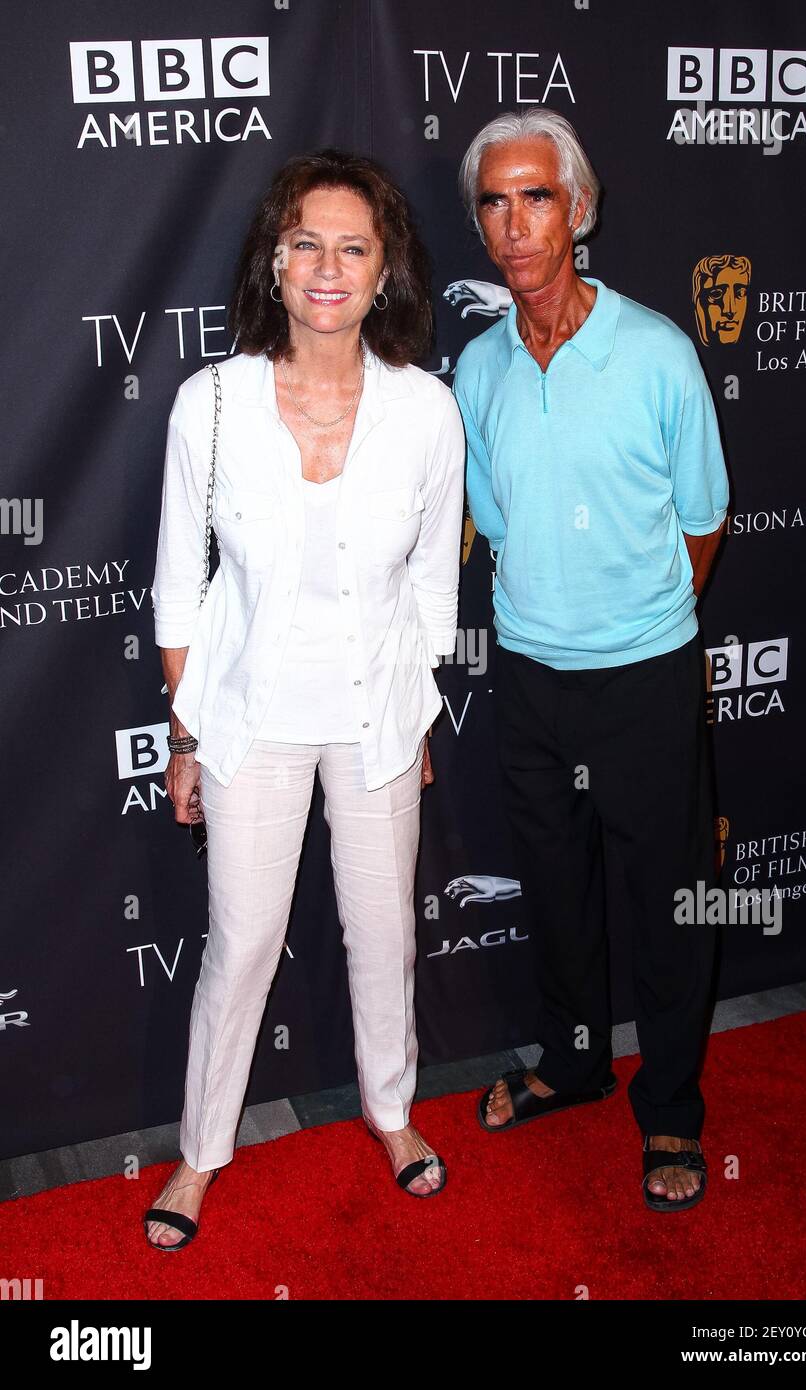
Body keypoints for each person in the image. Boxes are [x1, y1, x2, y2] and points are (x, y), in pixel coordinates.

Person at [145, 149, 466, 1249]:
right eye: (305, 245)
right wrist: (187, 735)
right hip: (249, 719)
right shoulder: (213, 403)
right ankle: (197, 1155)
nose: (327, 268)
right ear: (274, 264)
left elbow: (434, 580)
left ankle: (392, 1115)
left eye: (352, 248)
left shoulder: (424, 411)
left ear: (384, 273)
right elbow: (177, 586)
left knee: (383, 934)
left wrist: (414, 709)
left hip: (378, 717)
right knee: (240, 943)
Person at [452, 109, 729, 1212]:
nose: (514, 224)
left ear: (578, 207)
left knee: (668, 908)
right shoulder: (475, 368)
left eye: (536, 196)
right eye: (493, 201)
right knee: (558, 899)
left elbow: (702, 522)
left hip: (644, 686)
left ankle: (668, 1108)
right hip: (527, 685)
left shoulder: (657, 350)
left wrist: (636, 623)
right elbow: (491, 518)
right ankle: (570, 1065)